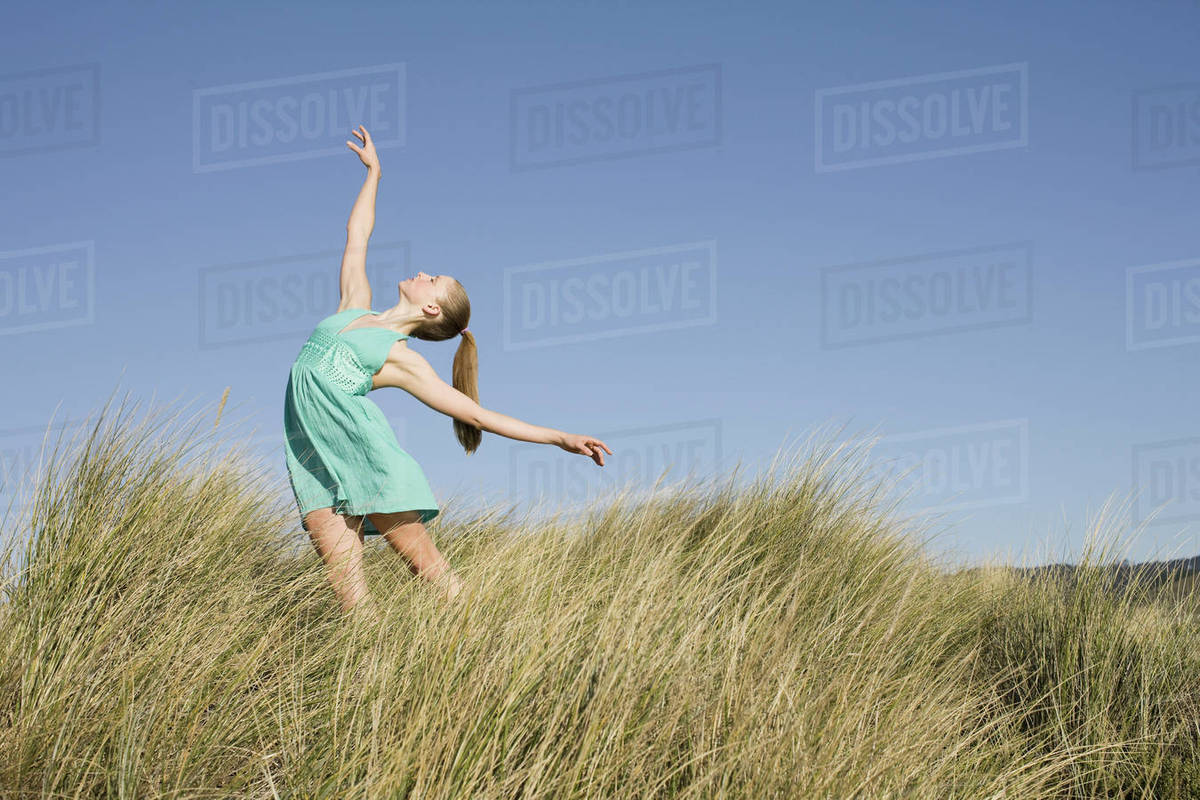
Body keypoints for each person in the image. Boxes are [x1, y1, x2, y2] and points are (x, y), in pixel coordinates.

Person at [282, 125, 612, 617]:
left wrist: (559, 437)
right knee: (350, 599)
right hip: (313, 460)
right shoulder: (353, 308)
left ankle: (489, 643)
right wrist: (375, 173)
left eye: (431, 280)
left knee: (430, 571)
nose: (421, 273)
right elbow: (357, 234)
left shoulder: (400, 358)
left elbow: (475, 415)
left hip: (366, 460)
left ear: (433, 309)